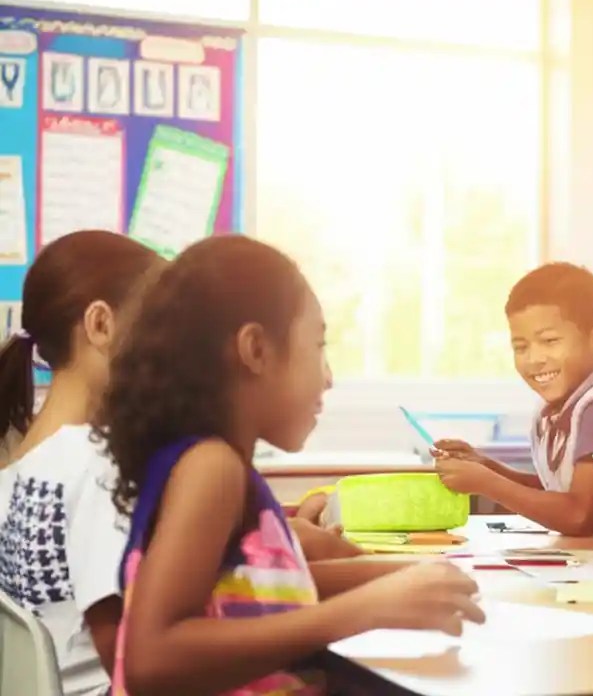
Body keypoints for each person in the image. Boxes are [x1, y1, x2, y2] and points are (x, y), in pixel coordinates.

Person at [98, 235, 484, 695]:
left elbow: (264, 590)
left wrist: (401, 576)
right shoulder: (212, 468)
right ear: (256, 349)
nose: (328, 376)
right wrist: (365, 609)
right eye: (318, 346)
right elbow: (151, 659)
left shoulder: (213, 464)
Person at [0, 231, 162, 695]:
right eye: (157, 328)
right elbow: (137, 668)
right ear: (100, 325)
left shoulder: (20, 464)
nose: (168, 353)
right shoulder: (98, 466)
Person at [433, 263, 593, 536]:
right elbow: (558, 495)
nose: (534, 359)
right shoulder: (559, 408)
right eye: (521, 347)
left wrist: (487, 483)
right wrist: (489, 468)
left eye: (550, 341)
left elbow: (578, 515)